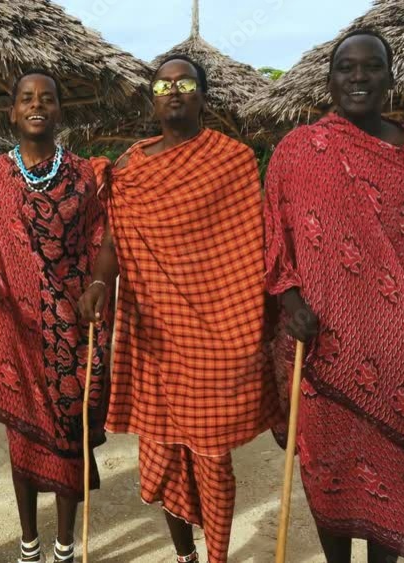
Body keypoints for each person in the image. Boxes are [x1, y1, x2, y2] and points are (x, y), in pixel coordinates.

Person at [262, 29, 404, 563]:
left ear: (391, 77)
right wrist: (290, 303)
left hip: (403, 347)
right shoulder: (297, 151)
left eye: (371, 67)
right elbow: (274, 241)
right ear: (328, 79)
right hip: (322, 348)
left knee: (398, 478)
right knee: (328, 471)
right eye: (346, 68)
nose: (358, 77)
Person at [82, 56, 278, 563]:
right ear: (153, 97)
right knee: (162, 451)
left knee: (212, 454)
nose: (174, 91)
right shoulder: (130, 168)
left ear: (202, 96)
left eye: (185, 83)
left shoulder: (231, 160)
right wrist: (101, 281)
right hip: (154, 336)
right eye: (163, 84)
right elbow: (112, 241)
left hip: (218, 332)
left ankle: (216, 556)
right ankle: (184, 555)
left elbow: (248, 246)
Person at [0, 70, 109, 563]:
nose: (36, 105)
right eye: (26, 98)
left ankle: (64, 545)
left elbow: (99, 245)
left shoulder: (85, 175)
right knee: (21, 436)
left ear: (60, 110)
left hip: (70, 324)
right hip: (12, 329)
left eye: (47, 98)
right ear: (13, 111)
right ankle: (30, 543)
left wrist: (94, 290)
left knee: (69, 433)